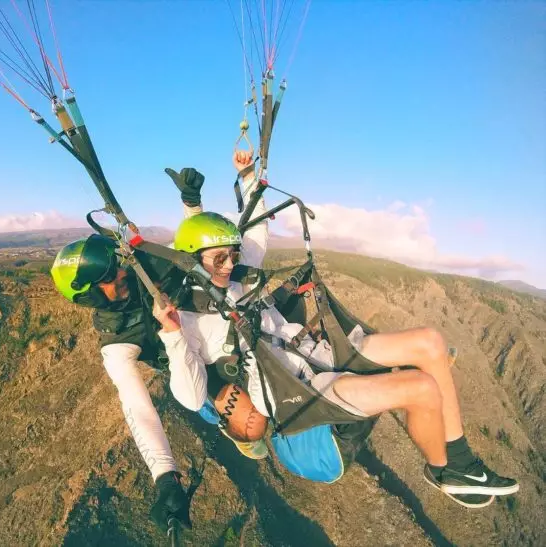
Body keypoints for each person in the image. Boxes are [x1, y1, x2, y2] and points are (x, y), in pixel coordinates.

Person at [152, 150, 519, 508]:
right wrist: (171, 335)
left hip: (314, 351)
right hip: (297, 389)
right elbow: (190, 395)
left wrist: (248, 179)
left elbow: (257, 235)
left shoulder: (235, 277)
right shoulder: (189, 321)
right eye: (220, 258)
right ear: (192, 262)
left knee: (430, 343)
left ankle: (460, 459)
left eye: (232, 254)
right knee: (420, 388)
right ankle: (443, 471)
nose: (230, 264)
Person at [49, 167, 206, 532]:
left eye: (116, 267)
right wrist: (165, 475)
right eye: (107, 278)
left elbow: (192, 255)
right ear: (89, 294)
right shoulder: (116, 343)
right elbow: (137, 406)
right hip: (197, 364)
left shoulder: (142, 270)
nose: (120, 274)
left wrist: (192, 206)